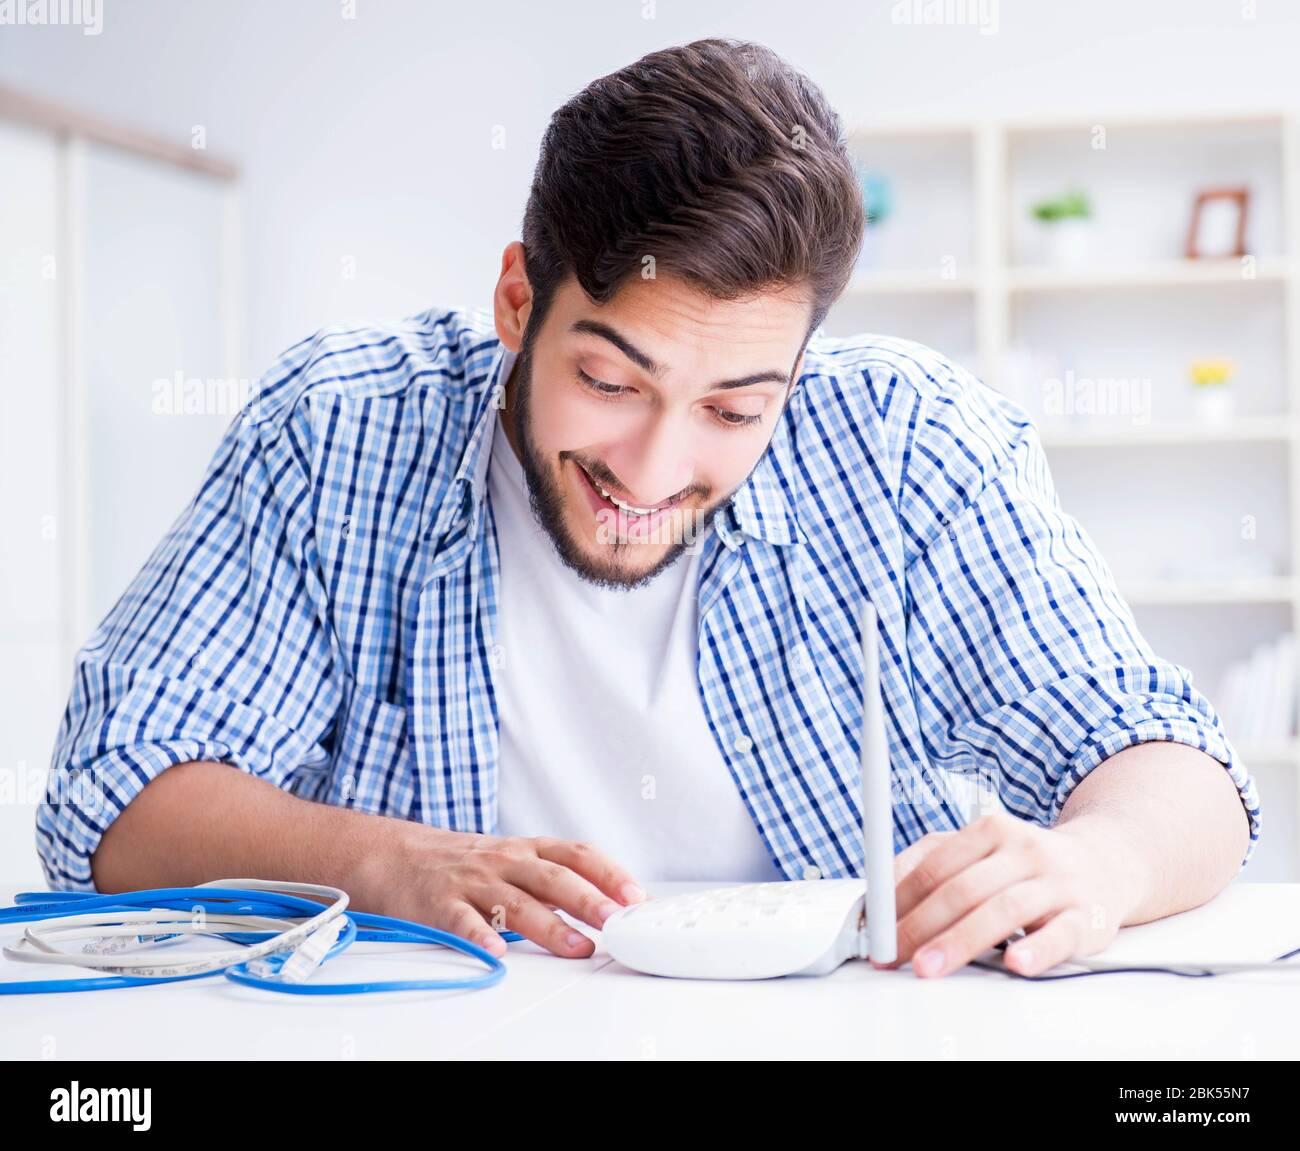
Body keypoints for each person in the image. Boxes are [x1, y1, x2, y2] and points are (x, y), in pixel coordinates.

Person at [38, 38, 1260, 979]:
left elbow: (1177, 762)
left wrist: (1096, 860)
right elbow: (113, 795)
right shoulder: (339, 430)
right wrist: (379, 859)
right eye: (611, 381)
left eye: (736, 408)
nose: (654, 466)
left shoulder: (909, 447)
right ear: (518, 299)